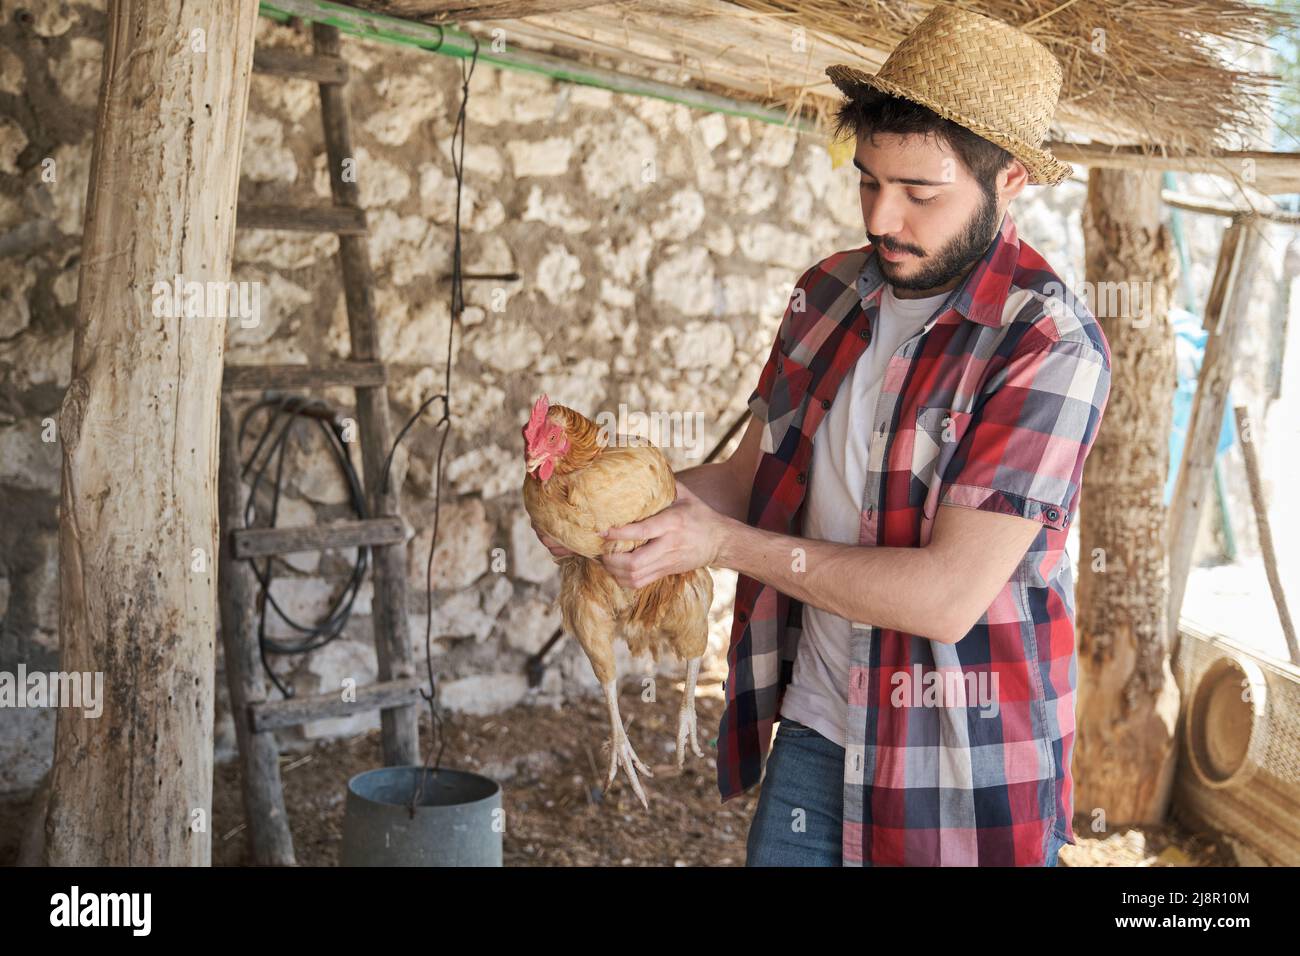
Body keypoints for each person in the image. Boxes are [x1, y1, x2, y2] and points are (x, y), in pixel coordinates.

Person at [534, 6, 1109, 867]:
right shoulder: (830, 293)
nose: (883, 217)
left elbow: (946, 598)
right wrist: (602, 513)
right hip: (817, 724)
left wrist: (722, 544)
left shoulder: (1046, 345)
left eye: (921, 194)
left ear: (1012, 180)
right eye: (869, 180)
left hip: (957, 754)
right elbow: (752, 477)